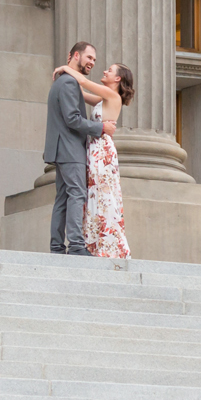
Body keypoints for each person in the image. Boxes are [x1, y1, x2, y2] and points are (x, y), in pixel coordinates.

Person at [52, 60, 135, 259]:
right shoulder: (103, 98)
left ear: (117, 78)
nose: (105, 71)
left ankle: (107, 244)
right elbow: (80, 93)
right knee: (94, 195)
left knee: (102, 195)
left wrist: (65, 68)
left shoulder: (112, 95)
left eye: (110, 70)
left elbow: (83, 82)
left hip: (102, 151)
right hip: (94, 148)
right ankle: (94, 242)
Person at [42, 42, 110, 256]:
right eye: (89, 57)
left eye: (94, 60)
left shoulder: (64, 81)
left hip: (62, 148)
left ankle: (57, 247)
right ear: (75, 55)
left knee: (63, 197)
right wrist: (101, 128)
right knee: (76, 194)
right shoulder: (69, 83)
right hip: (70, 148)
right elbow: (72, 119)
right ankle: (76, 246)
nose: (92, 62)